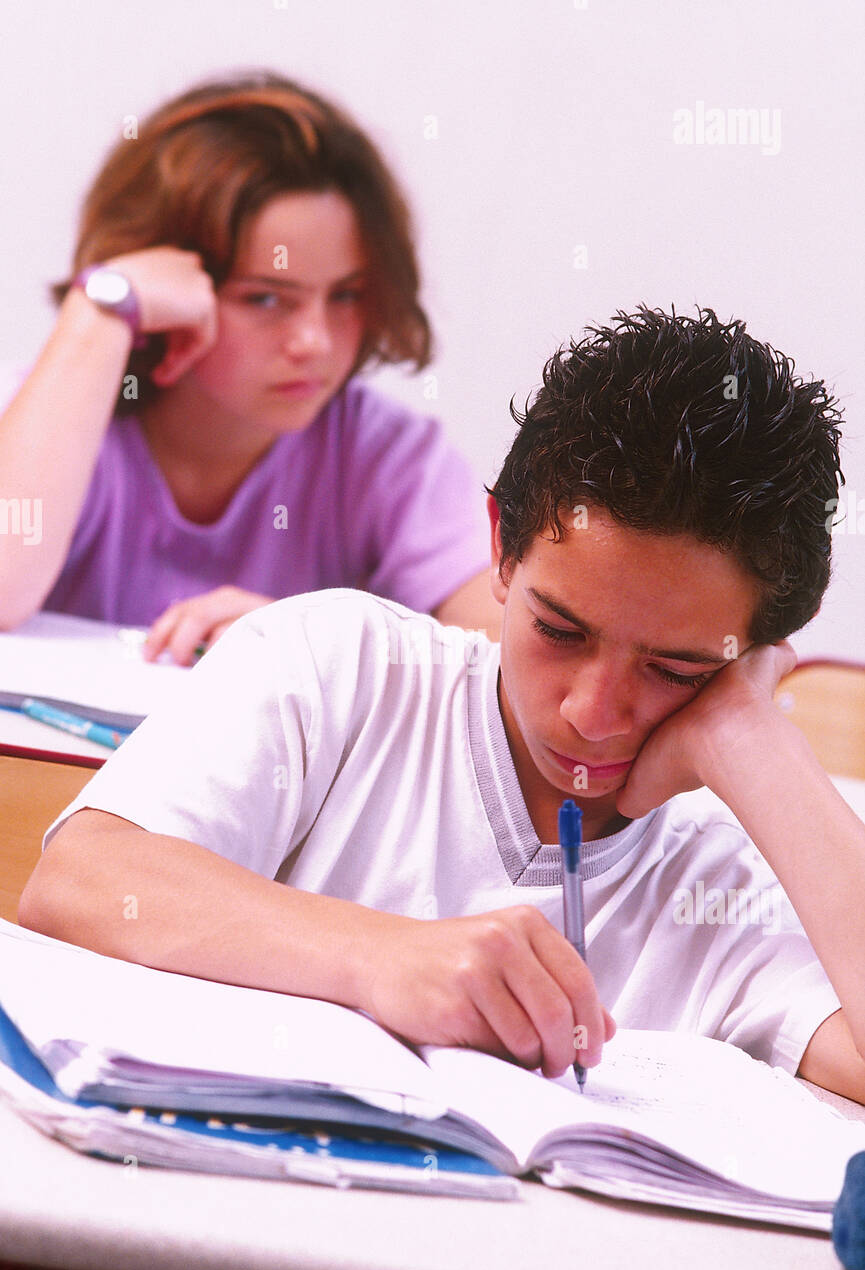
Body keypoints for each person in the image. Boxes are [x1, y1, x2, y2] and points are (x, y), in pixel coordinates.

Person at [20, 306, 865, 1104]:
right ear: (499, 545)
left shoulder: (726, 871)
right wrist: (379, 956)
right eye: (559, 630)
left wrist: (756, 742)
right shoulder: (343, 666)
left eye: (675, 669)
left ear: (750, 651)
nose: (593, 713)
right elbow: (80, 880)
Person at [0, 71, 500, 661]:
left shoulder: (386, 455)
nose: (313, 341)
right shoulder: (56, 416)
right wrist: (101, 307)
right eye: (265, 298)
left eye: (345, 295)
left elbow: (510, 654)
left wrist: (322, 642)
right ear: (171, 294)